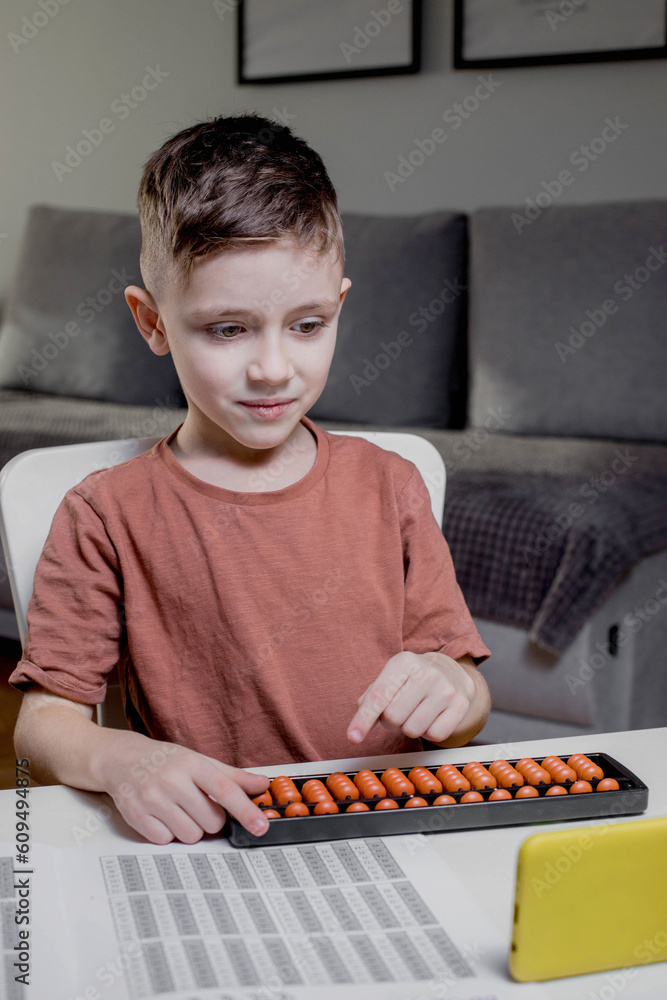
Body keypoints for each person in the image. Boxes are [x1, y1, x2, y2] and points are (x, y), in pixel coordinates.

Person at [10, 113, 491, 846]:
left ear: (339, 306)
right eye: (228, 329)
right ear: (152, 322)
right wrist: (121, 760)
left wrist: (455, 691)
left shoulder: (390, 485)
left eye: (307, 325)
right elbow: (43, 725)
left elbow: (465, 695)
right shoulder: (106, 512)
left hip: (388, 834)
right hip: (216, 845)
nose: (272, 369)